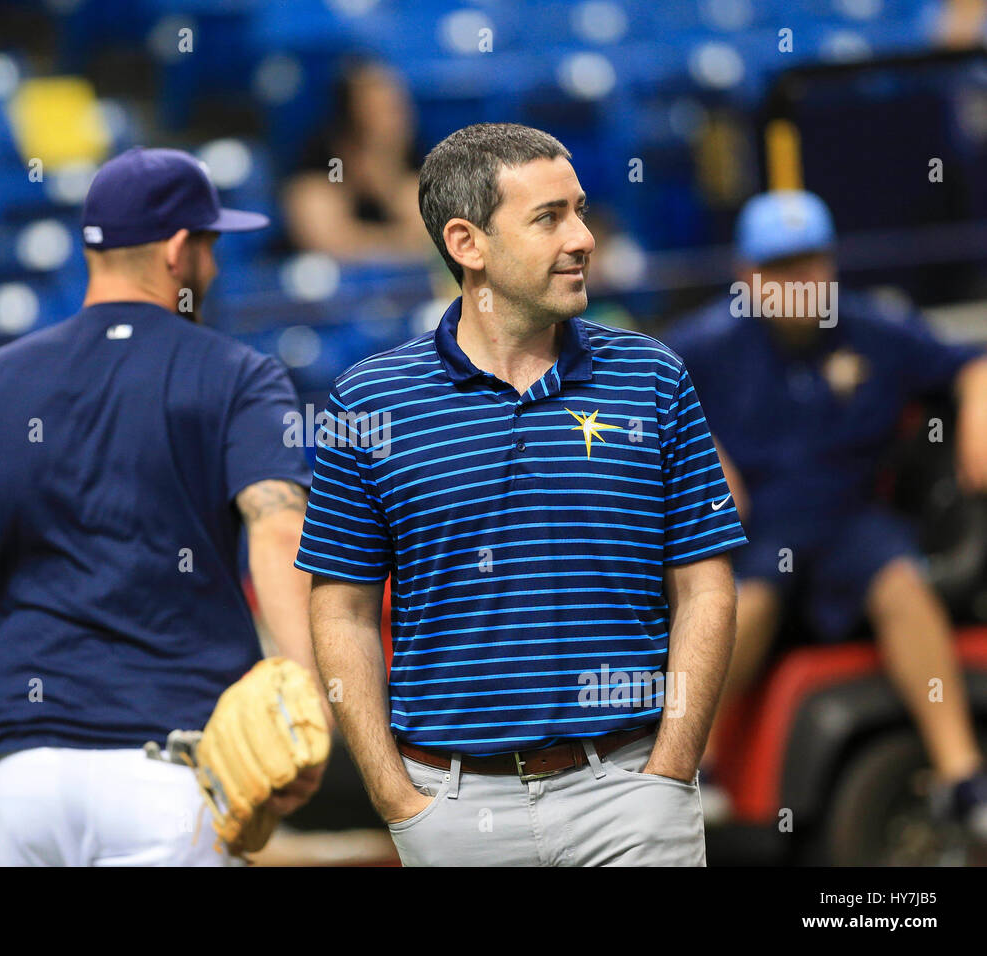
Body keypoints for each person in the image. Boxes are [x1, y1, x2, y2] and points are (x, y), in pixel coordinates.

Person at [0, 147, 323, 866]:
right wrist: (305, 700)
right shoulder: (237, 376)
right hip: (170, 776)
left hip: (17, 784)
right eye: (208, 245)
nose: (212, 265)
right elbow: (277, 527)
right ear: (178, 250)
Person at [297, 123, 747, 866]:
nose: (584, 238)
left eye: (580, 210)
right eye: (549, 218)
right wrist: (398, 801)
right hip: (451, 809)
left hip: (631, 794)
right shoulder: (365, 403)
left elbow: (705, 584)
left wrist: (669, 769)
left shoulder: (654, 376)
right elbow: (340, 608)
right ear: (467, 244)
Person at [664, 189, 987, 837]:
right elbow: (635, 401)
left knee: (901, 583)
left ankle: (963, 782)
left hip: (850, 520)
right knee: (739, 601)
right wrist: (701, 450)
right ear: (748, 278)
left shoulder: (875, 329)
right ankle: (692, 771)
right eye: (781, 268)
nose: (801, 282)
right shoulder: (702, 346)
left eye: (813, 263)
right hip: (757, 528)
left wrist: (978, 402)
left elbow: (966, 361)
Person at [282, 59, 430, 262]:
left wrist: (388, 187)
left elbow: (429, 239)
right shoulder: (319, 170)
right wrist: (400, 242)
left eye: (397, 109)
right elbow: (330, 245)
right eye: (379, 111)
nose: (398, 122)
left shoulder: (414, 169)